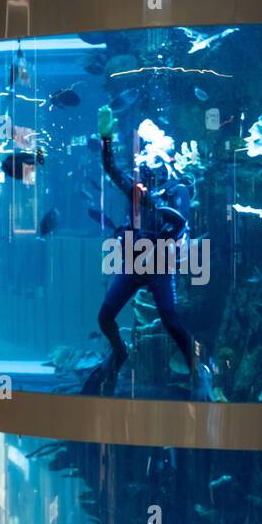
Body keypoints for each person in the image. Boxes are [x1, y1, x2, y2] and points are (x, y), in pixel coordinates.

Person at [83, 105, 206, 398]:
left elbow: (179, 221)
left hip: (161, 263)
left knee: (170, 320)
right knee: (105, 316)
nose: (149, 170)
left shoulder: (178, 190)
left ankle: (197, 368)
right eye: (147, 165)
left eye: (155, 164)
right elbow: (111, 169)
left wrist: (152, 203)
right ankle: (119, 352)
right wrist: (106, 139)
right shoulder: (137, 190)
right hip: (135, 261)